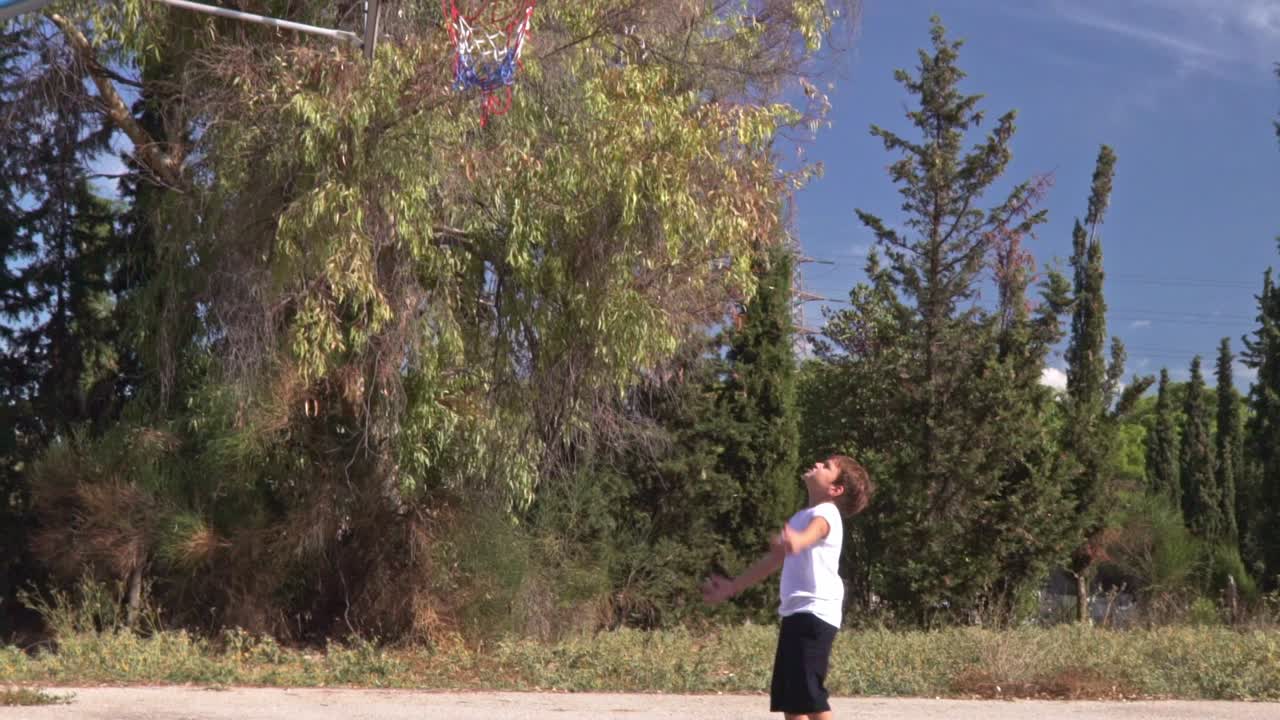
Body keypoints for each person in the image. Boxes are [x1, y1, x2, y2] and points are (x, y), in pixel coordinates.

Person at [702, 455, 874, 720]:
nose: (818, 464)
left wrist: (799, 540)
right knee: (791, 700)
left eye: (826, 467)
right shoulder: (800, 516)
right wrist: (733, 586)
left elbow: (816, 532)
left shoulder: (826, 512)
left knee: (809, 694)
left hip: (816, 612)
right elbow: (771, 562)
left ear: (835, 489)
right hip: (796, 613)